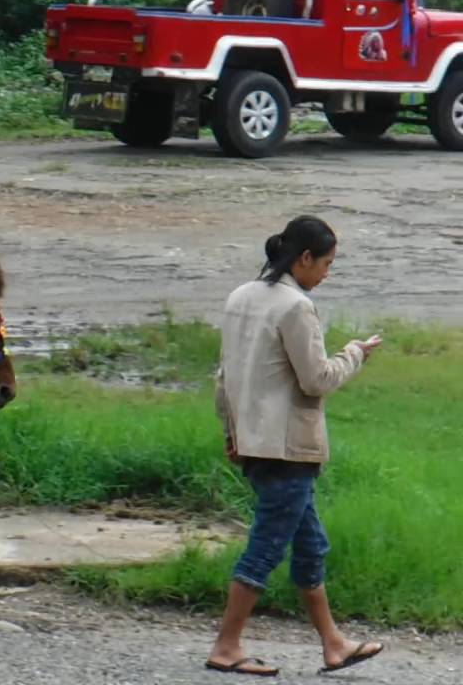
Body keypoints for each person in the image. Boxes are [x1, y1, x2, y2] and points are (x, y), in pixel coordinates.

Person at [206, 215, 385, 677]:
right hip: (288, 449)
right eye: (326, 263)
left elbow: (225, 377)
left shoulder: (239, 296)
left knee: (311, 546)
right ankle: (227, 646)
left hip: (254, 443)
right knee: (265, 549)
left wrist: (232, 433)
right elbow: (316, 379)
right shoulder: (295, 306)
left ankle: (334, 644)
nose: (327, 272)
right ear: (304, 258)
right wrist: (355, 354)